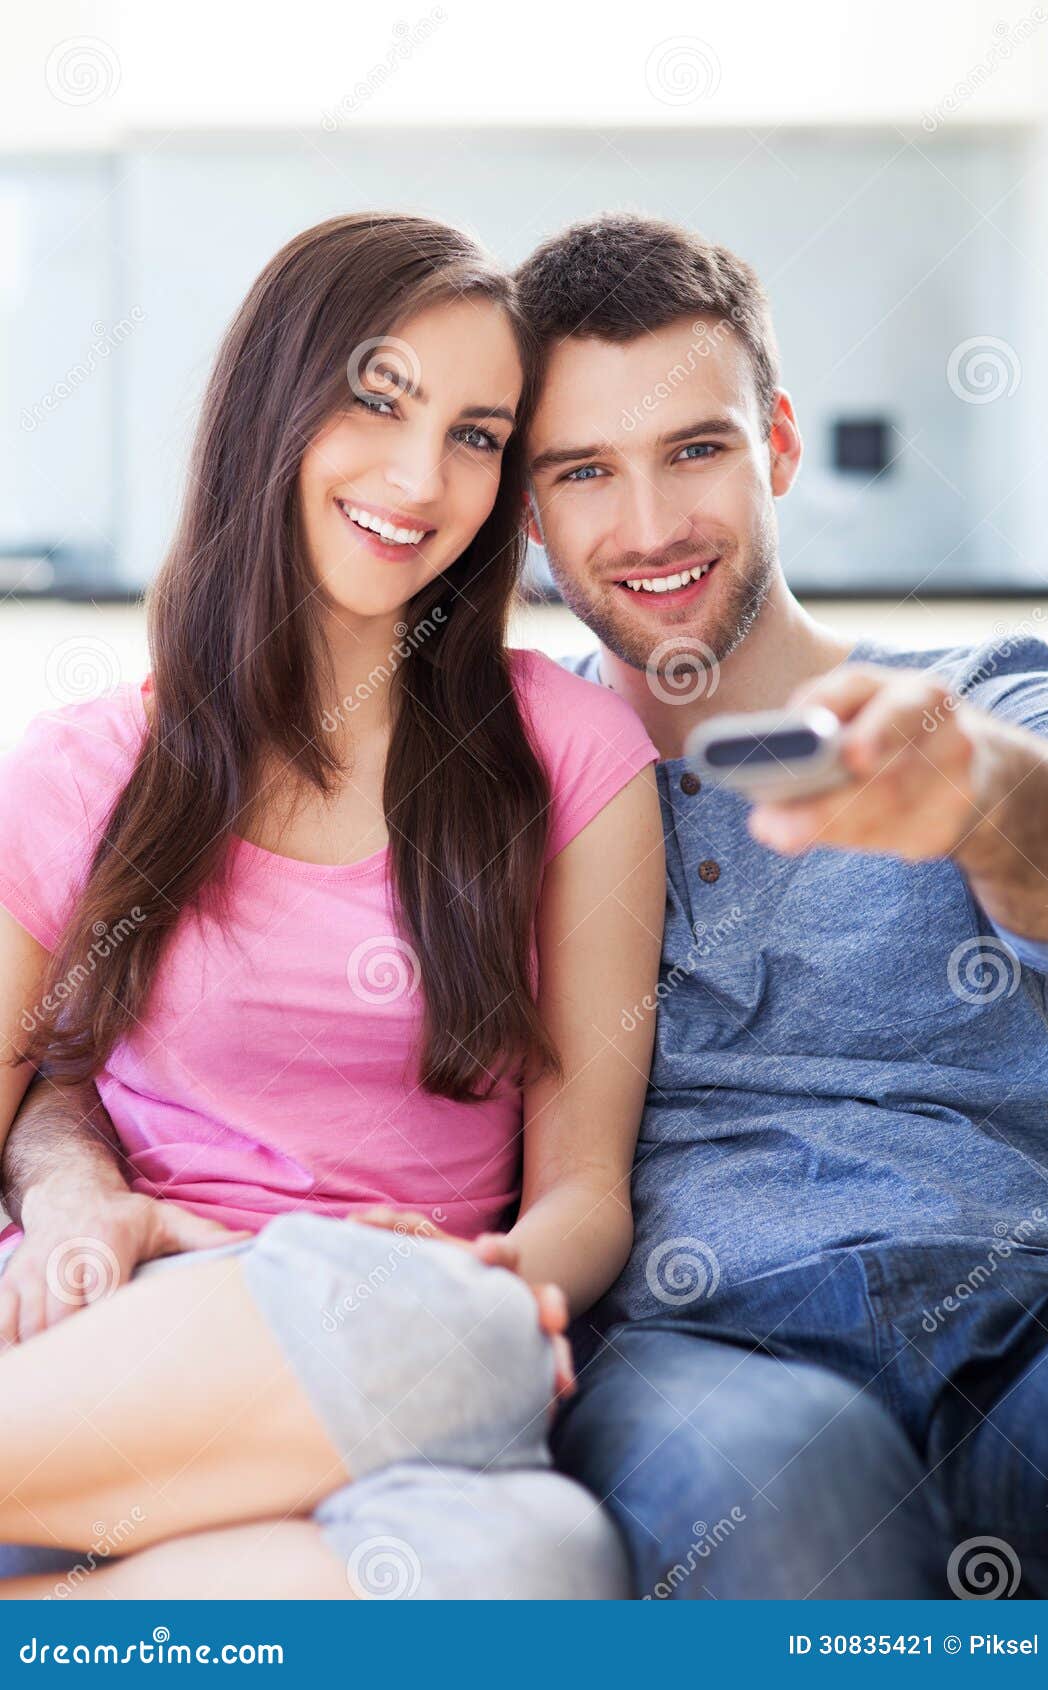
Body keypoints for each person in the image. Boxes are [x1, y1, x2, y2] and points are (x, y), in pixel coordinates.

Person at [0, 211, 665, 1599]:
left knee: (541, 1563)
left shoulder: (575, 756)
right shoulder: (81, 771)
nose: (422, 477)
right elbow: (25, 1097)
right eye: (379, 399)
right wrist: (86, 1195)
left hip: (407, 1354)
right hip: (115, 1324)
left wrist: (500, 1278)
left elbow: (585, 1193)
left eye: (479, 435)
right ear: (274, 403)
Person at [511, 214, 1048, 1600]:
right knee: (794, 1506)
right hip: (702, 1350)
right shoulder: (503, 782)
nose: (648, 528)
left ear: (780, 443)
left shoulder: (974, 697)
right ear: (529, 511)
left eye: (696, 449)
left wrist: (976, 796)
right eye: (585, 471)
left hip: (1026, 1314)